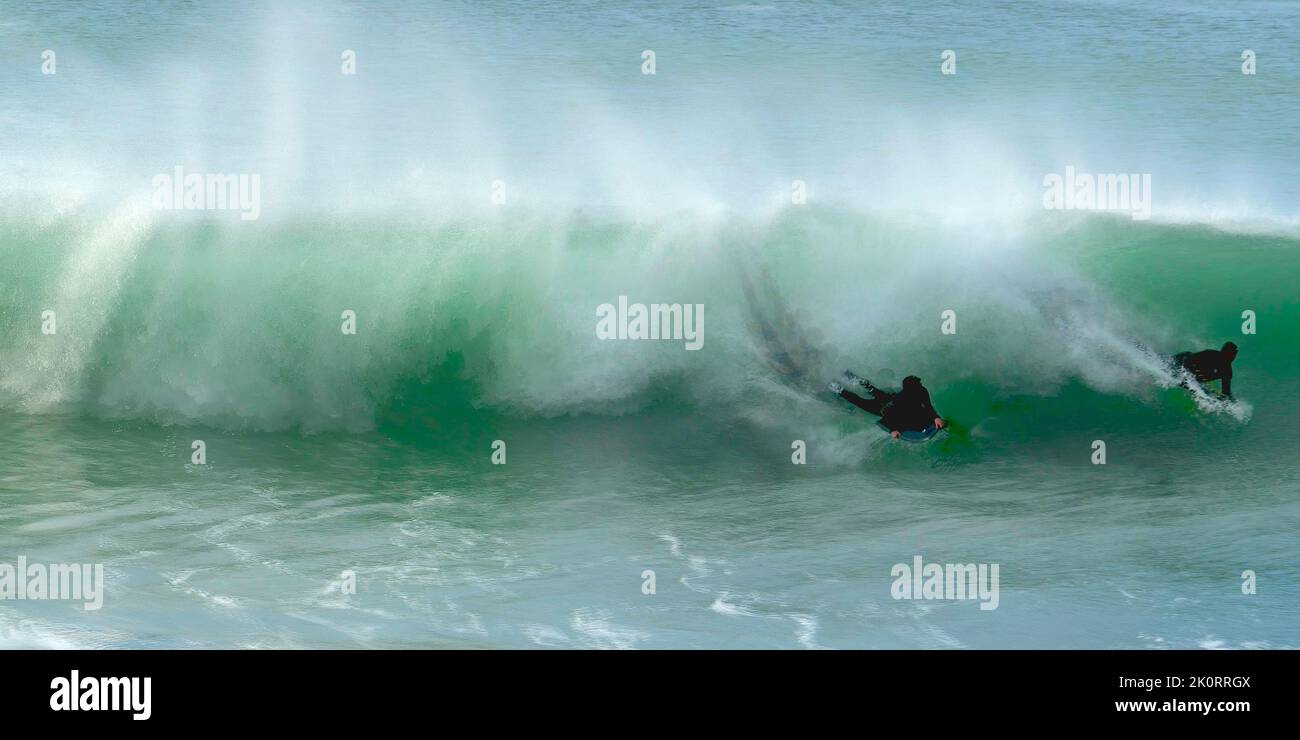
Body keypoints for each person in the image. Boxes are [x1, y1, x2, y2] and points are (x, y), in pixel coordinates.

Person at [829, 372, 945, 438]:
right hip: (882, 408)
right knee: (859, 401)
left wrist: (935, 417)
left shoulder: (922, 391)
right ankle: (837, 387)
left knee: (873, 390)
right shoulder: (903, 399)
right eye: (918, 384)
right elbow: (886, 419)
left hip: (890, 398)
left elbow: (928, 406)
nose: (920, 385)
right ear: (911, 389)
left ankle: (849, 375)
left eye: (919, 384)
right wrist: (893, 430)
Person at [1172, 341, 1237, 398]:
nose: (1233, 357)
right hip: (1181, 360)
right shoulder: (1210, 354)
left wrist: (1230, 403)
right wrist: (1187, 377)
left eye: (1234, 354)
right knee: (1166, 363)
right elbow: (1187, 360)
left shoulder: (1227, 372)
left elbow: (1226, 393)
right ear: (1224, 351)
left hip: (1193, 376)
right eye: (1231, 354)